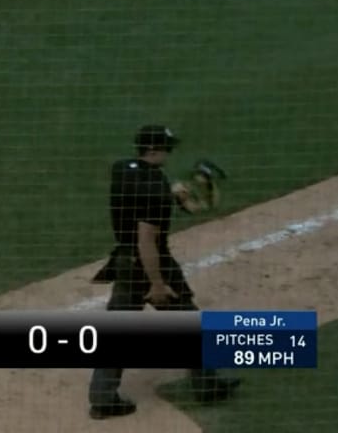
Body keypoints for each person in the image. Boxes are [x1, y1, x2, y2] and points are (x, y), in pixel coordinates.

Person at [87, 125, 242, 419]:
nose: (170, 153)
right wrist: (157, 284)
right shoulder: (155, 191)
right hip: (151, 264)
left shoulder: (124, 169)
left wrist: (169, 191)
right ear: (155, 150)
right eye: (167, 148)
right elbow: (148, 240)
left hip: (123, 262)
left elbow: (138, 192)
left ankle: (102, 398)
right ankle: (208, 387)